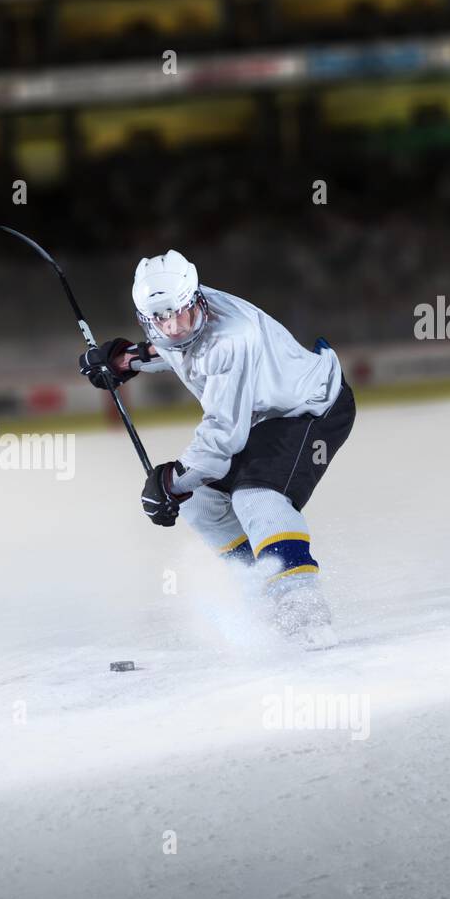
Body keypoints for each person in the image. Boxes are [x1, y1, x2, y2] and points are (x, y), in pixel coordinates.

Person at [78, 250, 355, 649]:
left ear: (196, 300)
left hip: (312, 407)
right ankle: (262, 589)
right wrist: (128, 360)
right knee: (200, 502)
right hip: (265, 416)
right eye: (159, 319)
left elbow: (224, 437)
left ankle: (304, 610)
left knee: (256, 496)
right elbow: (174, 346)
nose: (172, 326)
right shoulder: (184, 311)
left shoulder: (231, 337)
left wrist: (171, 483)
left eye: (178, 314)